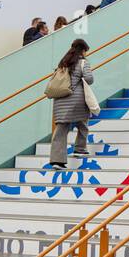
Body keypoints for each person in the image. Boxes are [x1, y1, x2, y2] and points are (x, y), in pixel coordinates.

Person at [48, 39, 94, 169]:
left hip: (60, 100)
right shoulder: (82, 62)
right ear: (83, 50)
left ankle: (57, 161)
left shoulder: (63, 62)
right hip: (76, 100)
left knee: (61, 130)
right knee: (83, 123)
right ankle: (79, 148)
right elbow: (89, 79)